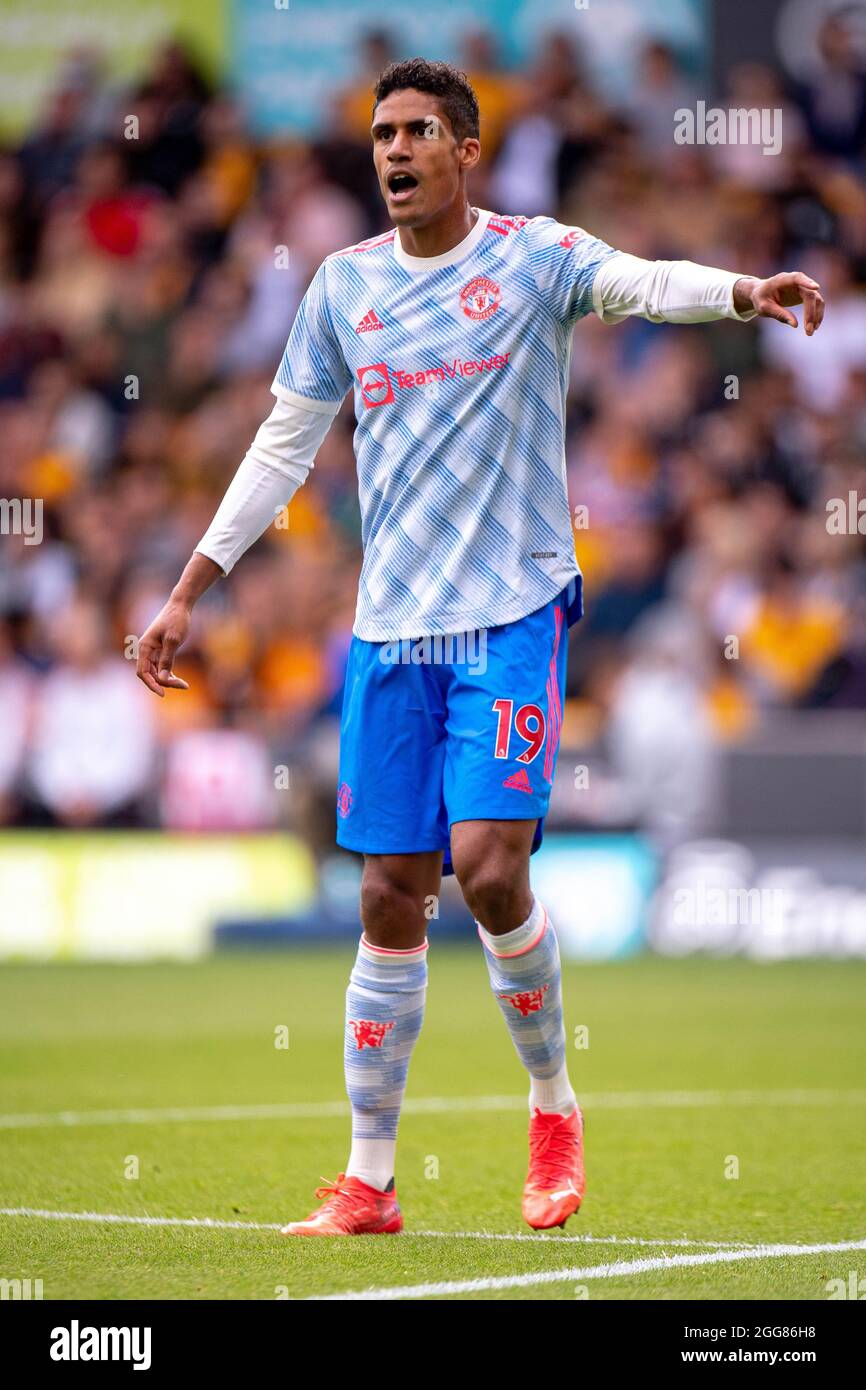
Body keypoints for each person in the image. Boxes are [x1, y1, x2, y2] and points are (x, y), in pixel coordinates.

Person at [136, 58, 824, 1236]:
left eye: (416, 132)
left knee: (490, 866)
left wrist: (736, 295)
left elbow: (636, 280)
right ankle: (368, 1181)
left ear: (466, 150)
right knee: (389, 893)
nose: (393, 152)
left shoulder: (531, 257)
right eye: (379, 135)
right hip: (390, 630)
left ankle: (552, 1106)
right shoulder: (342, 290)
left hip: (509, 611)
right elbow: (281, 449)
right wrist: (192, 583)